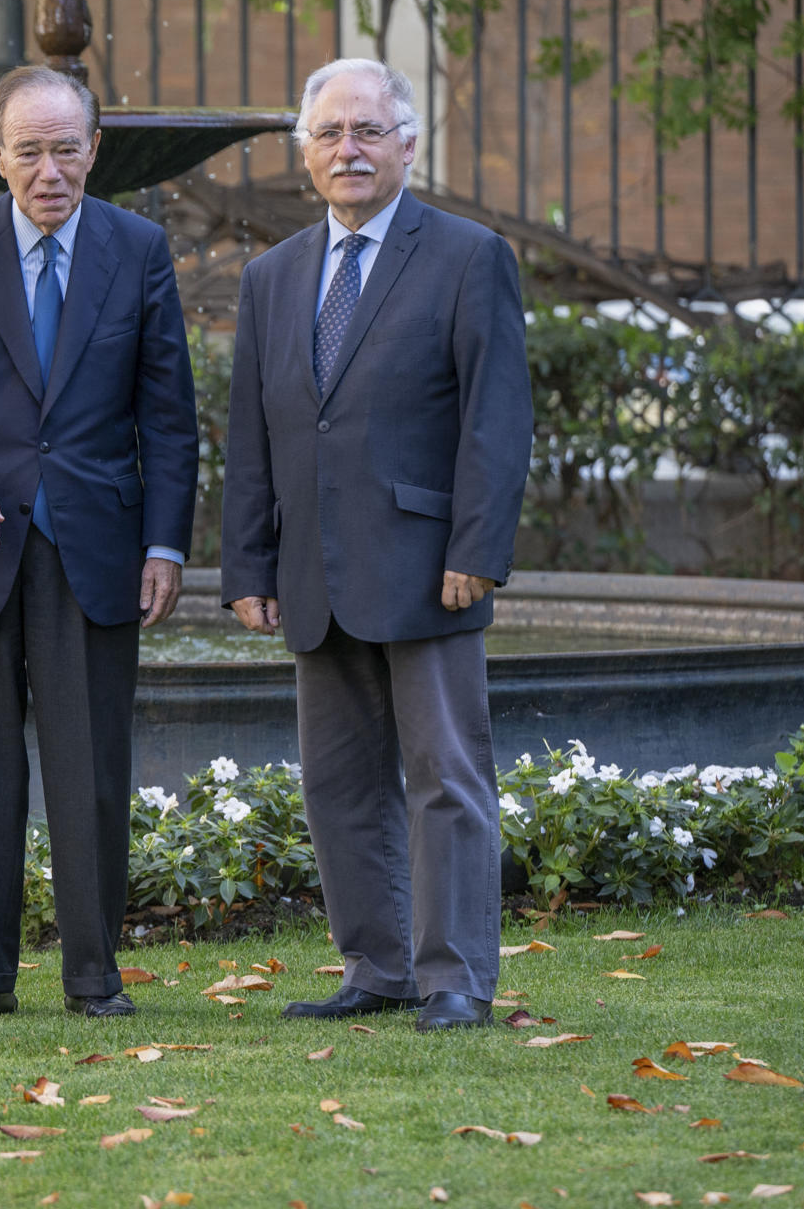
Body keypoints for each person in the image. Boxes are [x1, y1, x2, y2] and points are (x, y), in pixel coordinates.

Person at [0, 65, 198, 1019]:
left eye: (67, 149)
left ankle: (94, 977)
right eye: (29, 151)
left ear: (95, 149)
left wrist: (167, 546)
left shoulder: (139, 251)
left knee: (91, 771)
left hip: (95, 550)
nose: (49, 171)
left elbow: (168, 419)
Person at [220, 58, 532, 1032]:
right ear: (303, 152)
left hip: (430, 566)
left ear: (409, 142)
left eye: (366, 130)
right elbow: (254, 432)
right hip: (314, 570)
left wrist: (478, 546)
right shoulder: (271, 277)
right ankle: (378, 966)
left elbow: (496, 419)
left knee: (446, 778)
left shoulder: (469, 257)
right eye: (329, 134)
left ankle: (454, 980)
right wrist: (247, 563)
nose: (347, 149)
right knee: (338, 784)